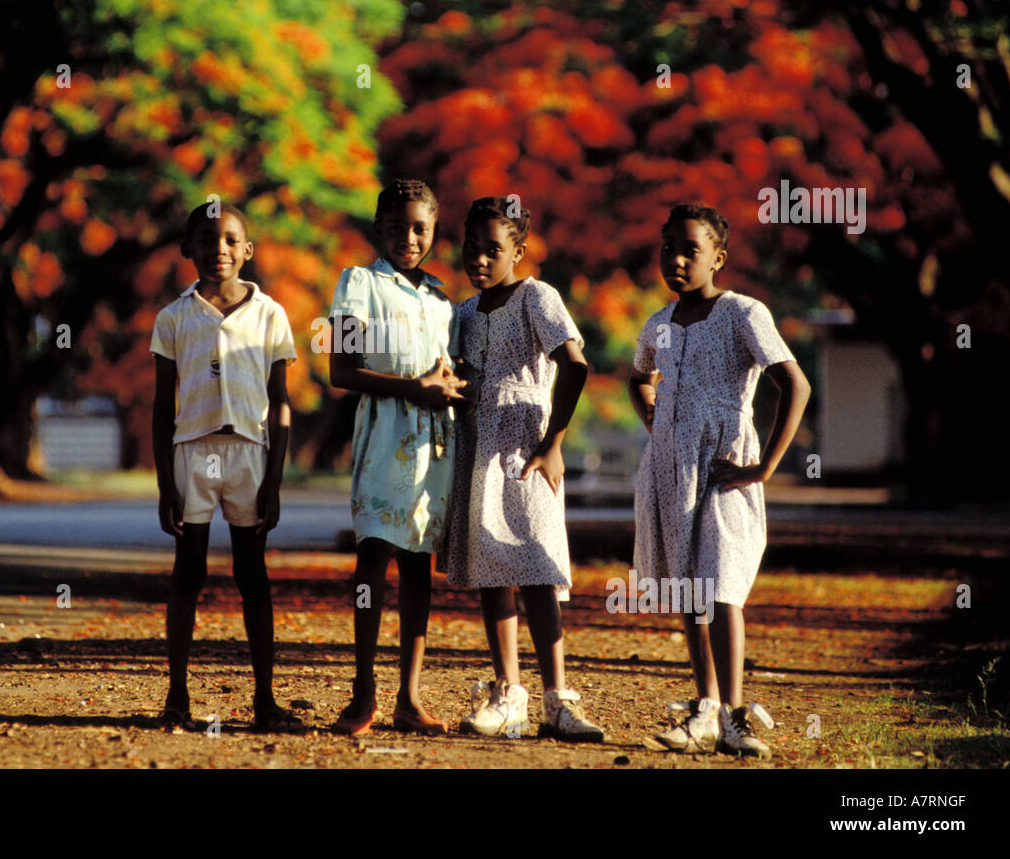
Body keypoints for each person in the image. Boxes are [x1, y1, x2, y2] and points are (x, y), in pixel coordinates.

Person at [628, 204, 810, 758]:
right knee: (689, 588)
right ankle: (704, 709)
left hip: (726, 470)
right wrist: (658, 425)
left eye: (690, 249)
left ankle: (735, 716)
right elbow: (638, 377)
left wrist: (765, 467)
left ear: (719, 259)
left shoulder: (743, 314)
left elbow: (794, 385)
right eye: (667, 247)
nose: (676, 259)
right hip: (669, 469)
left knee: (724, 586)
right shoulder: (658, 322)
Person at [440, 196, 605, 741]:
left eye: (494, 249)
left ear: (519, 250)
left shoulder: (538, 296)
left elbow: (575, 366)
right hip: (476, 447)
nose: (481, 259)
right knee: (492, 569)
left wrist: (554, 442)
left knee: (536, 565)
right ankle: (508, 693)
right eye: (472, 248)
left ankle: (558, 699)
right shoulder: (462, 313)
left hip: (526, 446)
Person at [150, 199, 304, 732]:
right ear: (187, 250)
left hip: (249, 454)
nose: (220, 249)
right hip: (191, 450)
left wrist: (276, 481)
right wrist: (165, 484)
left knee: (252, 575)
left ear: (248, 250)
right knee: (187, 573)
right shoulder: (173, 317)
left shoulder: (270, 314)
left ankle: (265, 699)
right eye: (208, 240)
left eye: (231, 240)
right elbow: (160, 403)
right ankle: (176, 697)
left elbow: (281, 400)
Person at [329, 179, 466, 737]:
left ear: (434, 232)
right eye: (397, 226)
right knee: (374, 557)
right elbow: (341, 370)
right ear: (378, 227)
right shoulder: (359, 283)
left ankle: (409, 697)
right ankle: (364, 695)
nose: (408, 237)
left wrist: (452, 389)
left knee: (418, 566)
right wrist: (416, 388)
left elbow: (449, 373)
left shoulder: (442, 298)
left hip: (436, 442)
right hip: (385, 436)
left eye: (420, 228)